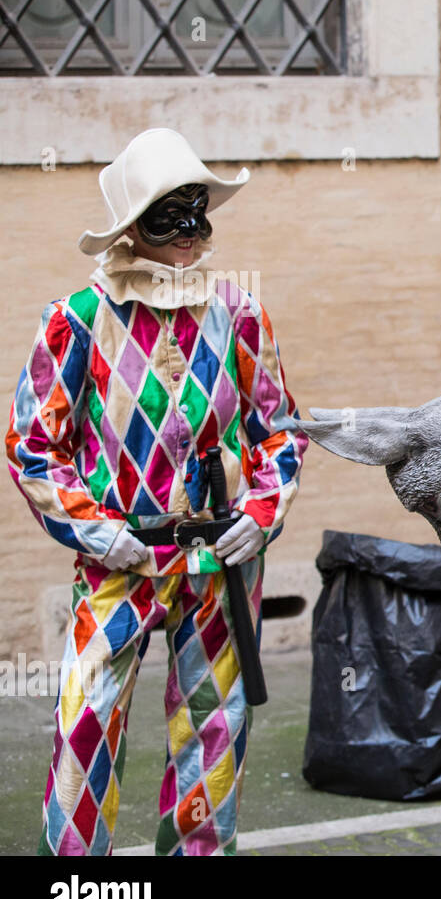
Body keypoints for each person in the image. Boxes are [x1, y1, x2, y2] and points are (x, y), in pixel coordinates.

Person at [6, 128, 308, 855]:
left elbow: (281, 431)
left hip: (219, 564)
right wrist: (92, 527)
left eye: (199, 210)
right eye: (171, 213)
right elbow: (33, 445)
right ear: (131, 225)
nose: (192, 231)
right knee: (85, 721)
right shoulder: (76, 319)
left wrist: (261, 513)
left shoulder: (238, 312)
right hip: (120, 559)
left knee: (215, 724)